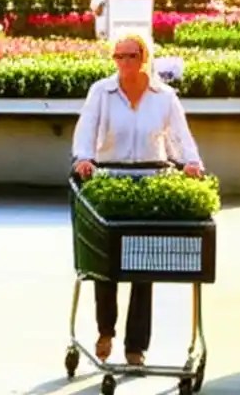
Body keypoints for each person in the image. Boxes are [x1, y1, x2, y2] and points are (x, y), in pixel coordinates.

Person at [71, 30, 205, 366]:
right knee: (106, 264)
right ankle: (105, 330)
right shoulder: (101, 92)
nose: (124, 62)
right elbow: (86, 129)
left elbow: (179, 136)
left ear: (145, 58)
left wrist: (191, 163)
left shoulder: (165, 97)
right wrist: (84, 158)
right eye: (119, 56)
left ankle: (136, 346)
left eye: (131, 56)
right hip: (110, 183)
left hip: (149, 183)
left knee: (142, 267)